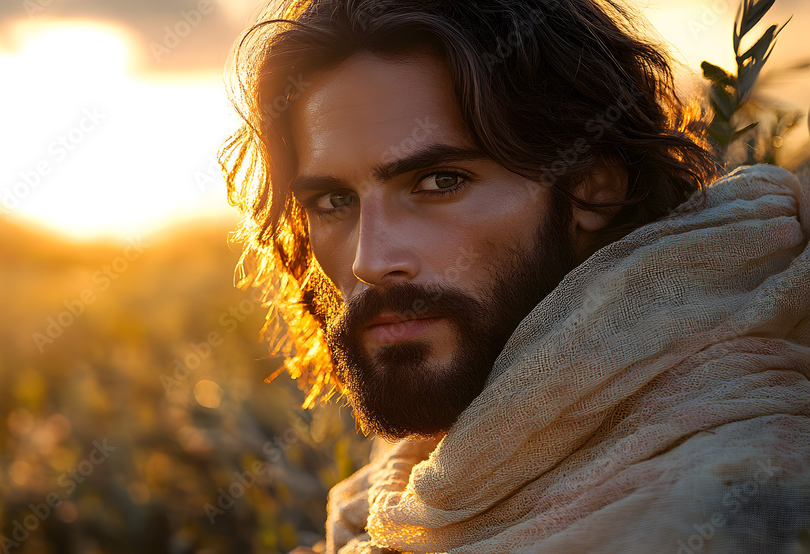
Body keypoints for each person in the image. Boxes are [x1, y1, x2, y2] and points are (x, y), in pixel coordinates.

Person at [220, 0, 810, 551]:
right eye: (334, 201)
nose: (369, 262)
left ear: (592, 187)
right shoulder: (419, 479)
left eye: (440, 182)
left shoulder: (739, 495)